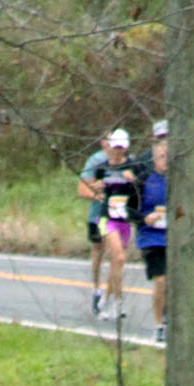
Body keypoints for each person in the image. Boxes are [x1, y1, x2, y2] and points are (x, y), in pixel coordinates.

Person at [88, 127, 142, 320]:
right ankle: (118, 303)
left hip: (123, 218)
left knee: (117, 262)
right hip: (107, 217)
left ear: (125, 148)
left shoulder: (132, 165)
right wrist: (97, 188)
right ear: (109, 147)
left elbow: (140, 189)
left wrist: (134, 180)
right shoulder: (102, 167)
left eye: (121, 148)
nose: (118, 151)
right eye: (115, 147)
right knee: (118, 257)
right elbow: (96, 188)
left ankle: (105, 300)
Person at [78, 133, 115, 317]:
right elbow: (82, 188)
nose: (111, 144)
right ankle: (96, 289)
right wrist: (96, 195)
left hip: (115, 216)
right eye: (108, 140)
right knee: (97, 251)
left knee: (115, 254)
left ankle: (110, 297)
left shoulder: (124, 161)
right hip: (96, 215)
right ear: (102, 142)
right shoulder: (96, 161)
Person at [137, 131, 168, 343]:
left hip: (173, 238)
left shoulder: (178, 180)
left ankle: (167, 316)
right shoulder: (144, 180)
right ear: (154, 158)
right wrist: (145, 218)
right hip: (151, 238)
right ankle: (158, 324)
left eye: (168, 156)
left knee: (174, 283)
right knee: (161, 280)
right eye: (162, 156)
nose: (165, 160)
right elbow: (130, 210)